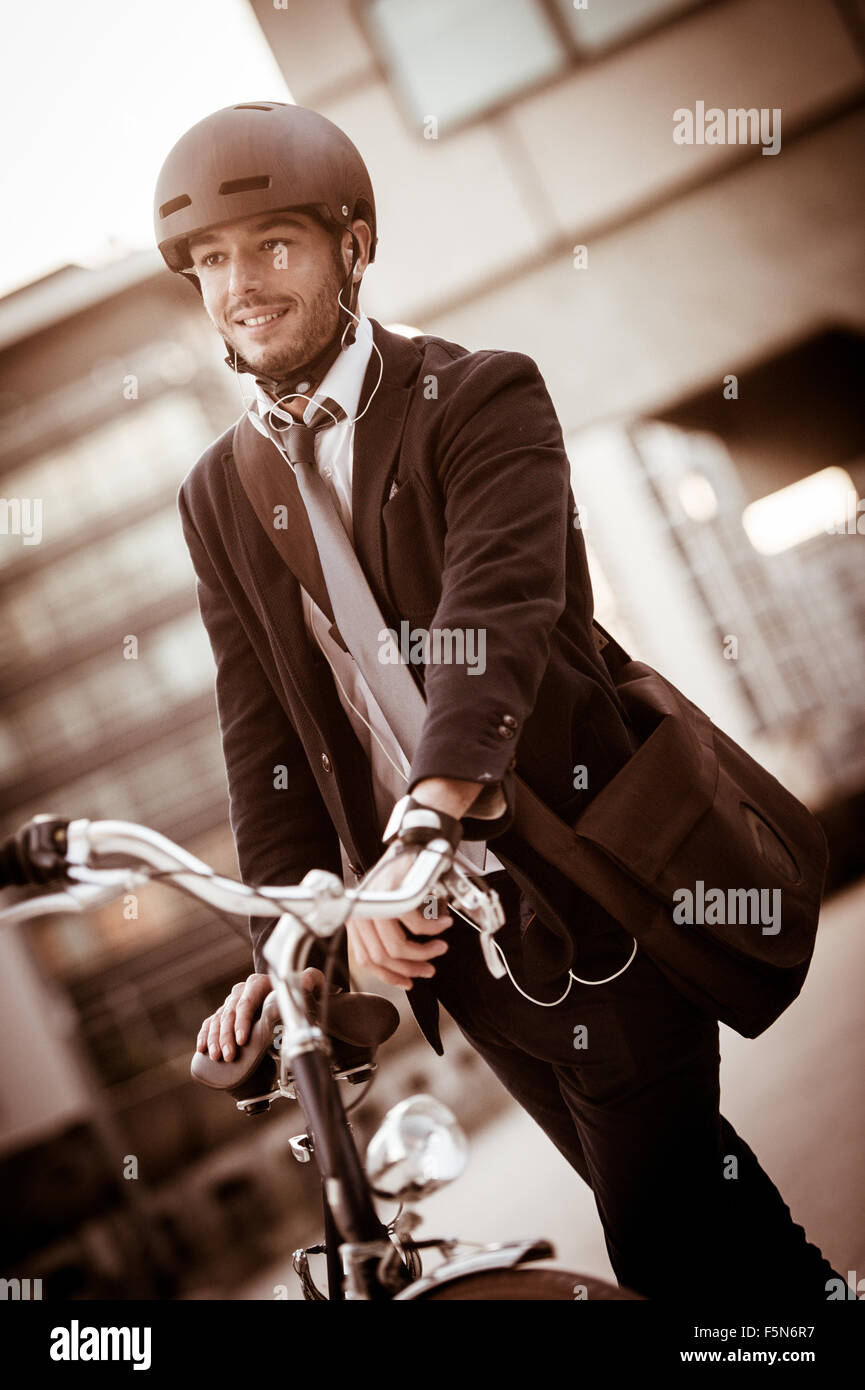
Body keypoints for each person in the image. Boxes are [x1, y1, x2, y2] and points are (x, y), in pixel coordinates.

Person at [154, 102, 844, 1300]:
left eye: (271, 246)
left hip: (600, 886)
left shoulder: (478, 398)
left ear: (352, 247)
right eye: (210, 261)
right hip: (455, 959)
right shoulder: (219, 493)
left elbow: (498, 621)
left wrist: (421, 827)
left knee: (666, 1241)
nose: (238, 286)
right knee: (709, 1231)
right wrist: (285, 942)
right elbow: (261, 732)